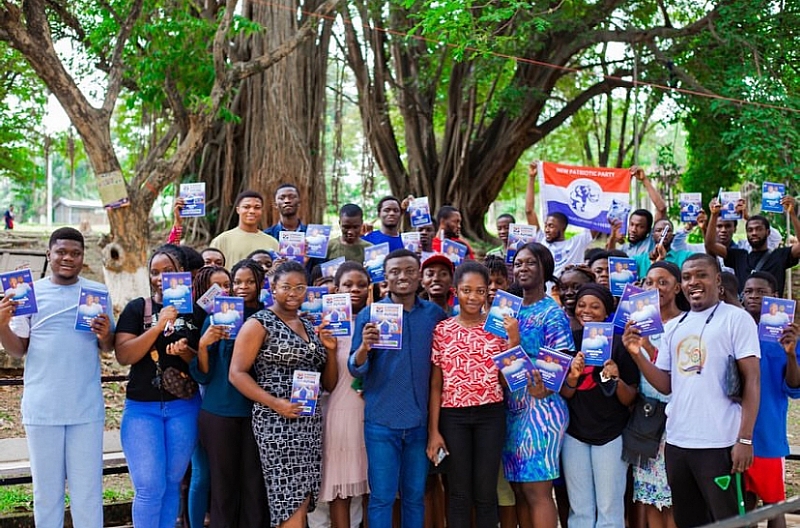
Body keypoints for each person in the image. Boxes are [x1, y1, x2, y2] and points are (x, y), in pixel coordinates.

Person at [622, 254, 760, 528]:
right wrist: (637, 354)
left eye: (701, 275)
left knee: (730, 521)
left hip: (719, 443)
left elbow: (753, 380)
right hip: (678, 443)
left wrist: (744, 439)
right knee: (688, 520)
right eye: (687, 277)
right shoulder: (675, 326)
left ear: (718, 280)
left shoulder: (736, 319)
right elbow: (666, 384)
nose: (693, 282)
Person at [0, 227, 114, 528]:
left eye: (75, 253)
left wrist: (105, 334)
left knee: (88, 491)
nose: (68, 258)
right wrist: (2, 325)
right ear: (48, 254)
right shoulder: (28, 293)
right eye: (61, 252)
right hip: (42, 408)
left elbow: (107, 347)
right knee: (46, 493)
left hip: (85, 408)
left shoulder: (97, 292)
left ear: (83, 258)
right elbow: (18, 350)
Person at [229, 260, 338, 527]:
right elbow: (237, 373)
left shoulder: (309, 326)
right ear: (273, 288)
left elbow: (329, 384)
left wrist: (331, 350)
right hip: (277, 421)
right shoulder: (259, 323)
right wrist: (276, 403)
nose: (293, 293)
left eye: (300, 287)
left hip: (308, 422)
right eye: (286, 287)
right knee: (287, 497)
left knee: (303, 494)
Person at [349, 249, 447, 527]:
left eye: (409, 271)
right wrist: (365, 347)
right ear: (385, 278)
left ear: (420, 277)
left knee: (414, 497)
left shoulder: (434, 315)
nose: (402, 276)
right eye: (395, 271)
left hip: (419, 424)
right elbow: (355, 368)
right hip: (381, 422)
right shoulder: (370, 315)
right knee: (382, 498)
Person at [114, 247, 205, 528]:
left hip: (184, 407)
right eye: (155, 272)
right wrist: (157, 327)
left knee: (171, 482)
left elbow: (204, 365)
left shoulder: (196, 312)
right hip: (142, 410)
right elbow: (124, 355)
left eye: (168, 271)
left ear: (182, 273)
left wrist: (186, 352)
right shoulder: (137, 309)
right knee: (149, 487)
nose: (160, 278)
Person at [427, 261, 519, 527]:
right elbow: (436, 384)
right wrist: (434, 431)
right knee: (458, 493)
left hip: (490, 416)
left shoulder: (498, 330)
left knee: (486, 494)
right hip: (453, 418)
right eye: (467, 290)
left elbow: (506, 381)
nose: (473, 297)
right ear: (456, 290)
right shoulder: (443, 330)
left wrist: (513, 341)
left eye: (480, 291)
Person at [190, 259, 269, 528]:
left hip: (258, 412)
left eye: (250, 281)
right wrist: (204, 345)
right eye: (238, 282)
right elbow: (203, 375)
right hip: (220, 412)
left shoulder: (270, 317)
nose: (243, 287)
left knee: (254, 485)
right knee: (223, 487)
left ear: (261, 284)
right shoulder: (217, 316)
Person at [504, 242, 575, 528]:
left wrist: (515, 345)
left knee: (537, 491)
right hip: (513, 408)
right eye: (518, 263)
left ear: (545, 268)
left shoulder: (552, 313)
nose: (523, 268)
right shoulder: (511, 310)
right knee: (520, 491)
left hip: (541, 411)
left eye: (530, 263)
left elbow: (557, 368)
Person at [561, 283, 639, 528]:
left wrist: (615, 379)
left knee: (609, 509)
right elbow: (566, 393)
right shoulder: (570, 342)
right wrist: (573, 376)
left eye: (595, 306)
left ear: (606, 312)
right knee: (580, 510)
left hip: (611, 435)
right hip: (575, 435)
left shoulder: (619, 345)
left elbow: (630, 398)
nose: (587, 311)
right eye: (582, 305)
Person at [630, 262, 687, 528]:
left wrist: (647, 348)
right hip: (646, 417)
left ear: (678, 288)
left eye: (663, 282)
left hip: (675, 419)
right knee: (650, 495)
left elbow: (676, 374)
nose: (655, 288)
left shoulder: (686, 323)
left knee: (673, 496)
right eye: (649, 282)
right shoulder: (639, 322)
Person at [741, 272, 800, 528]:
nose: (753, 296)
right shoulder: (733, 329)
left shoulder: (786, 337)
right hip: (732, 433)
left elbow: (794, 388)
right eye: (749, 291)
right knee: (742, 507)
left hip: (768, 434)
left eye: (760, 292)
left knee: (773, 505)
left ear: (774, 297)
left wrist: (791, 354)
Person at [319, 262, 371, 528]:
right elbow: (328, 384)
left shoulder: (377, 322)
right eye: (348, 285)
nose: (355, 289)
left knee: (371, 486)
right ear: (336, 289)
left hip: (371, 414)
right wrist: (329, 348)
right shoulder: (328, 326)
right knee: (340, 488)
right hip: (339, 414)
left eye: (361, 285)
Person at [705, 196, 800, 295]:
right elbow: (710, 244)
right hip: (745, 306)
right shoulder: (739, 256)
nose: (754, 233)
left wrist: (792, 214)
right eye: (750, 230)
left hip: (772, 305)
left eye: (759, 229)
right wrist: (714, 215)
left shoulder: (780, 255)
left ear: (768, 232)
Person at [209, 190, 279, 264]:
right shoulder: (221, 241)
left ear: (262, 211)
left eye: (257, 207)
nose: (252, 211)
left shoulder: (272, 243)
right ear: (238, 210)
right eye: (246, 207)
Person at [558, 264, 596, 331]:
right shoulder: (552, 320)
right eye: (563, 288)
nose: (569, 293)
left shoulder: (600, 318)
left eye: (576, 287)